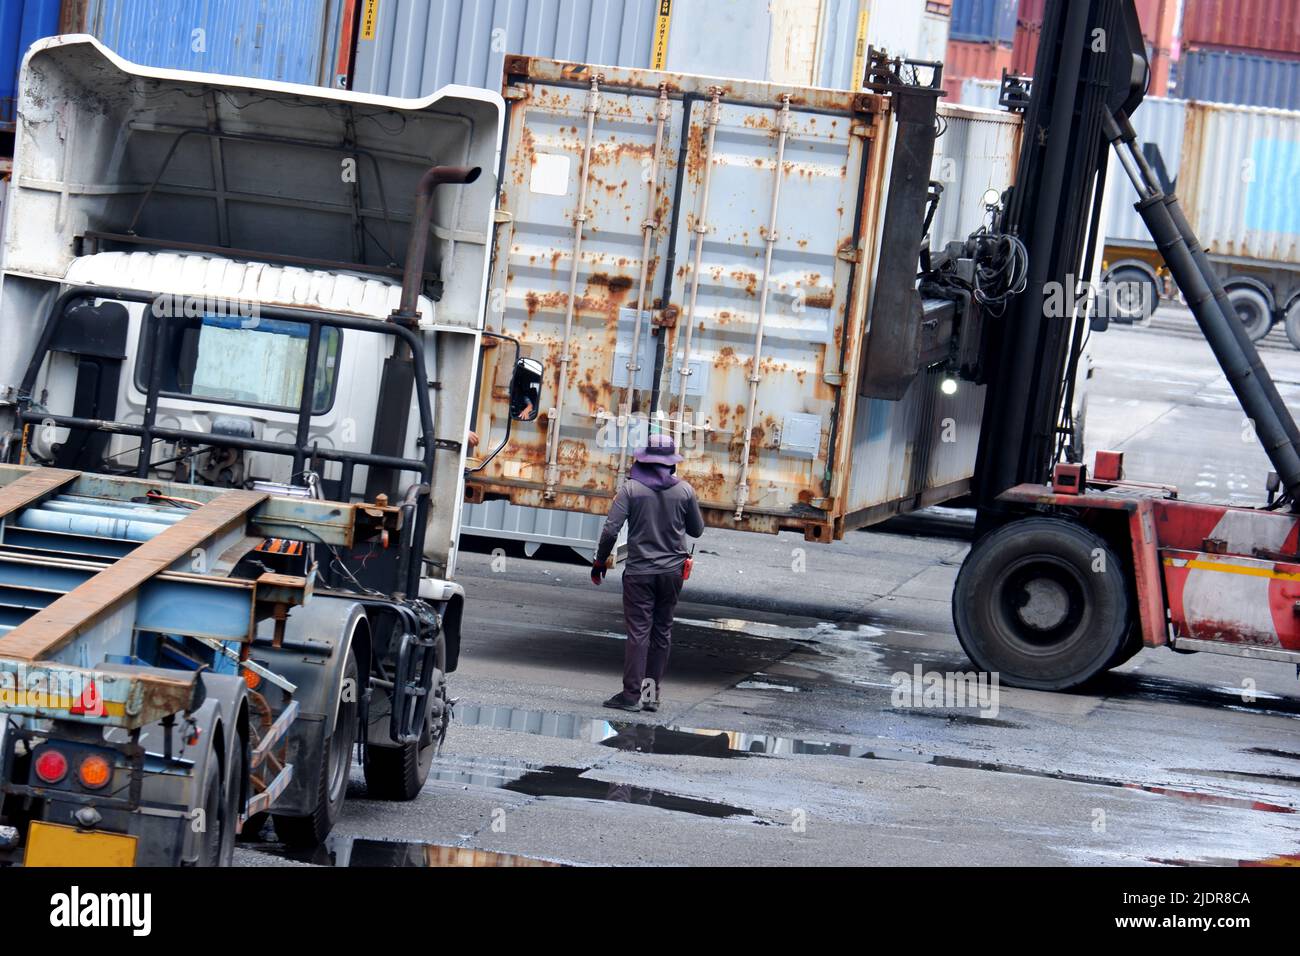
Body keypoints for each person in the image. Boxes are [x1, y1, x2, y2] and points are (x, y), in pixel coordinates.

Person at [591, 433, 704, 713]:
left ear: (644, 461)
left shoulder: (630, 490)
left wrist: (600, 561)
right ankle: (651, 696)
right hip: (672, 573)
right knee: (662, 632)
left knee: (639, 632)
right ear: (671, 464)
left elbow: (610, 530)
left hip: (640, 573)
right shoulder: (685, 491)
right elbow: (696, 530)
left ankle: (631, 695)